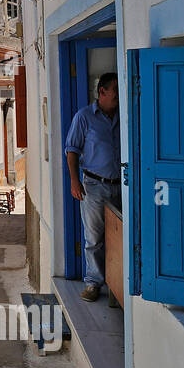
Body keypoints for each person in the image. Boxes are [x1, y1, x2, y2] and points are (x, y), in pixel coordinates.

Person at [64, 72, 121, 303]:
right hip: (94, 186)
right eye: (115, 90)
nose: (118, 94)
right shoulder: (84, 117)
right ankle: (93, 283)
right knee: (94, 237)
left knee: (122, 236)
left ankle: (119, 284)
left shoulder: (123, 114)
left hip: (122, 185)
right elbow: (72, 150)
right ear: (102, 92)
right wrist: (74, 180)